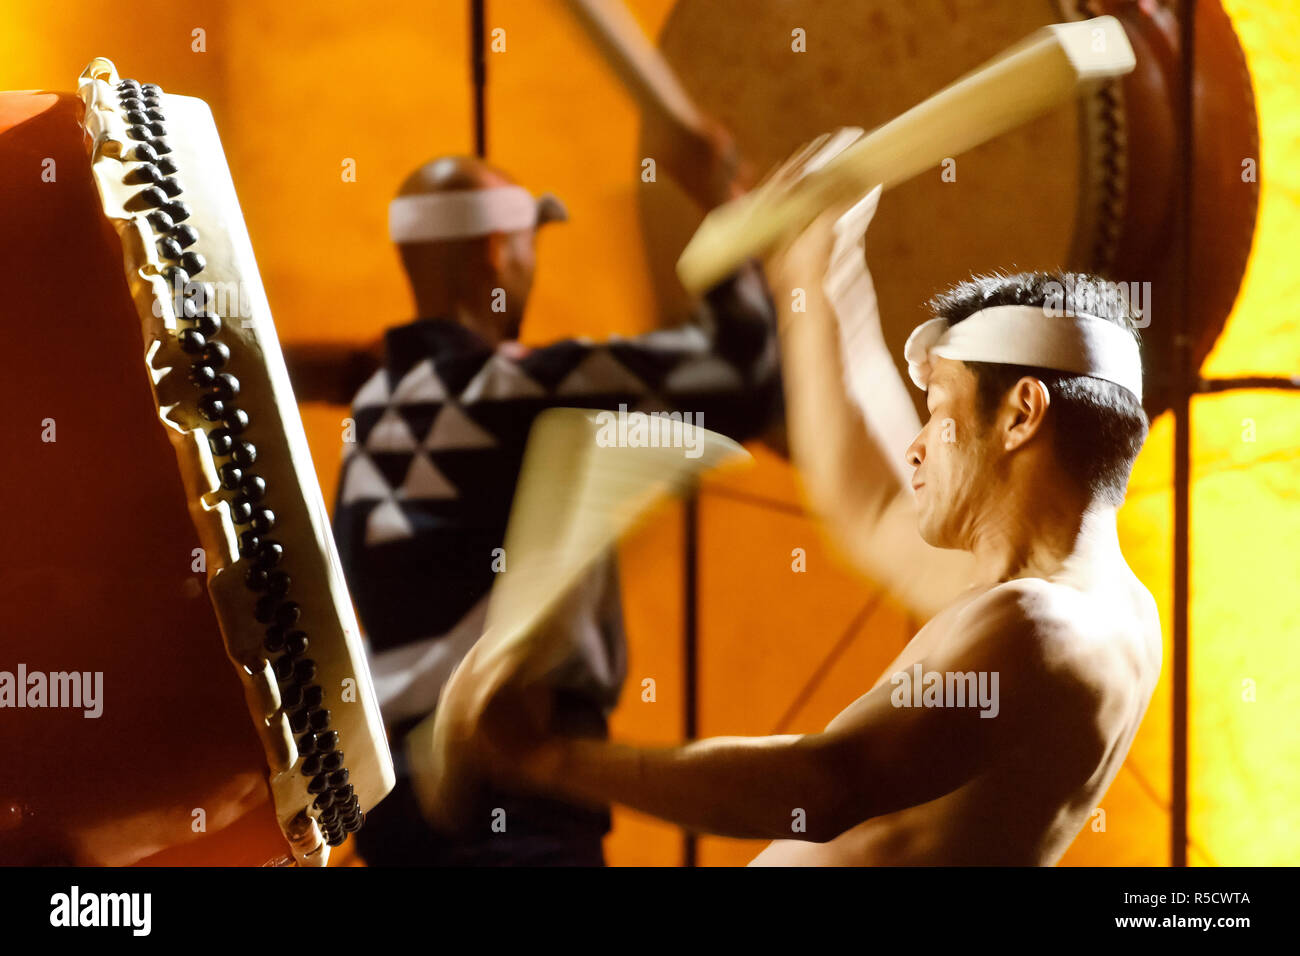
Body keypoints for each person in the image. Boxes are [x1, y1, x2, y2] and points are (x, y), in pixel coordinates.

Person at [431, 143, 1163, 866]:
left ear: (1022, 414)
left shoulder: (1040, 628)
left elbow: (824, 786)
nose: (915, 448)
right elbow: (873, 503)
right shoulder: (1086, 602)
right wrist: (822, 272)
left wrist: (546, 760)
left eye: (938, 412)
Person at [331, 144, 784, 865]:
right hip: (520, 807)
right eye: (527, 242)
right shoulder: (516, 388)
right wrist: (727, 217)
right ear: (492, 251)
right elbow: (746, 378)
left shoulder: (371, 420)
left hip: (393, 820)